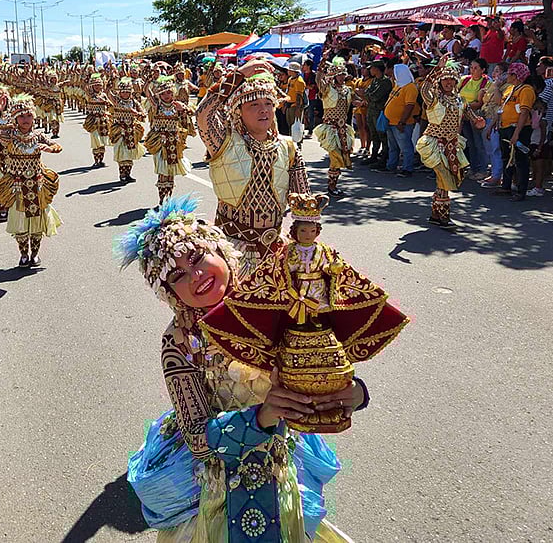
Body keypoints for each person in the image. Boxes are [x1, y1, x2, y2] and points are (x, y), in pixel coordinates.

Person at [116, 195, 404, 543]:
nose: (197, 275)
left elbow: (319, 360)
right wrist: (260, 418)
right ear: (169, 293)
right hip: (222, 482)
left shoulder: (271, 300)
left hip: (280, 462)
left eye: (198, 258)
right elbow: (195, 435)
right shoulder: (179, 341)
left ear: (220, 251)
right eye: (178, 275)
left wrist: (353, 393)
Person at [195, 64, 309, 275]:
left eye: (268, 103)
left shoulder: (289, 147)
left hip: (274, 248)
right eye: (254, 104)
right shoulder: (224, 142)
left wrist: (306, 240)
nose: (263, 109)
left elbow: (303, 200)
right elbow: (203, 114)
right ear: (238, 111)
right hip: (231, 249)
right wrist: (237, 76)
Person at [0, 93, 63, 265]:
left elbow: (57, 146)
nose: (25, 120)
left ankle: (35, 254)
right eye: (21, 116)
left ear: (33, 117)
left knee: (36, 222)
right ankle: (23, 254)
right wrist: (2, 111)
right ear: (15, 118)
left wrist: (51, 149)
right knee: (20, 222)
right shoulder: (10, 135)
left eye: (29, 116)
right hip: (17, 186)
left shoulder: (38, 136)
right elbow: (0, 132)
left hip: (37, 184)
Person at [417, 57, 469, 228]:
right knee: (445, 179)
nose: (448, 82)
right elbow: (424, 88)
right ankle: (444, 217)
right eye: (445, 79)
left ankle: (435, 215)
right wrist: (436, 70)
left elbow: (468, 113)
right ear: (440, 81)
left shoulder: (459, 99)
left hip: (452, 145)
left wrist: (478, 121)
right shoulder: (434, 98)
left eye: (451, 80)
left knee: (443, 181)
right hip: (435, 145)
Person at [145, 75, 195, 205]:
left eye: (169, 92)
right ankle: (162, 200)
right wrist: (149, 81)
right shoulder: (157, 106)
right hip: (160, 143)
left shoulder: (177, 105)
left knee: (171, 172)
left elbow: (192, 113)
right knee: (163, 172)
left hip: (173, 142)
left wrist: (184, 109)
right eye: (164, 93)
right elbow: (148, 93)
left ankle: (168, 198)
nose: (167, 95)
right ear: (159, 95)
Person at [493, 63, 536, 201]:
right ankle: (506, 185)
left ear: (516, 76)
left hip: (519, 128)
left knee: (520, 159)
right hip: (505, 127)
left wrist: (517, 133)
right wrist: (496, 87)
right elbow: (500, 103)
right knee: (507, 158)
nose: (507, 76)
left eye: (510, 74)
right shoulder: (510, 89)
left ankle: (521, 190)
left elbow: (524, 112)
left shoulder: (526, 90)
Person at [314, 58, 355, 195]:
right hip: (330, 128)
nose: (342, 77)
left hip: (343, 128)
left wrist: (362, 102)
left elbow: (353, 101)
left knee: (341, 157)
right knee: (335, 157)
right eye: (340, 74)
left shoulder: (347, 90)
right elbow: (319, 81)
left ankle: (333, 185)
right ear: (334, 76)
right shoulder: (327, 89)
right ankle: (331, 187)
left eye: (344, 74)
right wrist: (320, 68)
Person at [379, 64, 419, 177]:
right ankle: (391, 166)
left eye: (395, 73)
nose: (393, 75)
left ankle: (407, 168)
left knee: (405, 146)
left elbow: (409, 106)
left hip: (401, 123)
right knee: (393, 146)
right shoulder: (398, 85)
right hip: (391, 122)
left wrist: (402, 121)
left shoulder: (410, 87)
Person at [457, 58, 491, 181]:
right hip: (463, 116)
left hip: (476, 116)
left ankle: (483, 169)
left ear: (483, 70)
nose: (472, 70)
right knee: (469, 143)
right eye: (471, 67)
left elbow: (480, 102)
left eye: (476, 68)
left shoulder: (486, 82)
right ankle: (473, 167)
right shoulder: (464, 80)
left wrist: (464, 106)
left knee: (478, 143)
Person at [109, 76, 147, 183]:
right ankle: (122, 174)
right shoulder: (116, 100)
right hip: (119, 131)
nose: (125, 94)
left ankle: (128, 174)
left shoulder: (134, 102)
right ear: (120, 92)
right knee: (122, 154)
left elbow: (143, 112)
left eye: (127, 92)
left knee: (130, 154)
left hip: (131, 131)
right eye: (123, 92)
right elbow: (109, 93)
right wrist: (111, 79)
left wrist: (139, 113)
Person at [363, 59, 391, 166]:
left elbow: (374, 96)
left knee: (382, 135)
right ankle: (374, 155)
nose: (370, 70)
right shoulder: (375, 80)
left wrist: (366, 95)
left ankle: (384, 158)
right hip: (371, 110)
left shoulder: (385, 82)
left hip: (379, 111)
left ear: (377, 69)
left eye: (372, 68)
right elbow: (367, 92)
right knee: (373, 134)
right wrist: (366, 94)